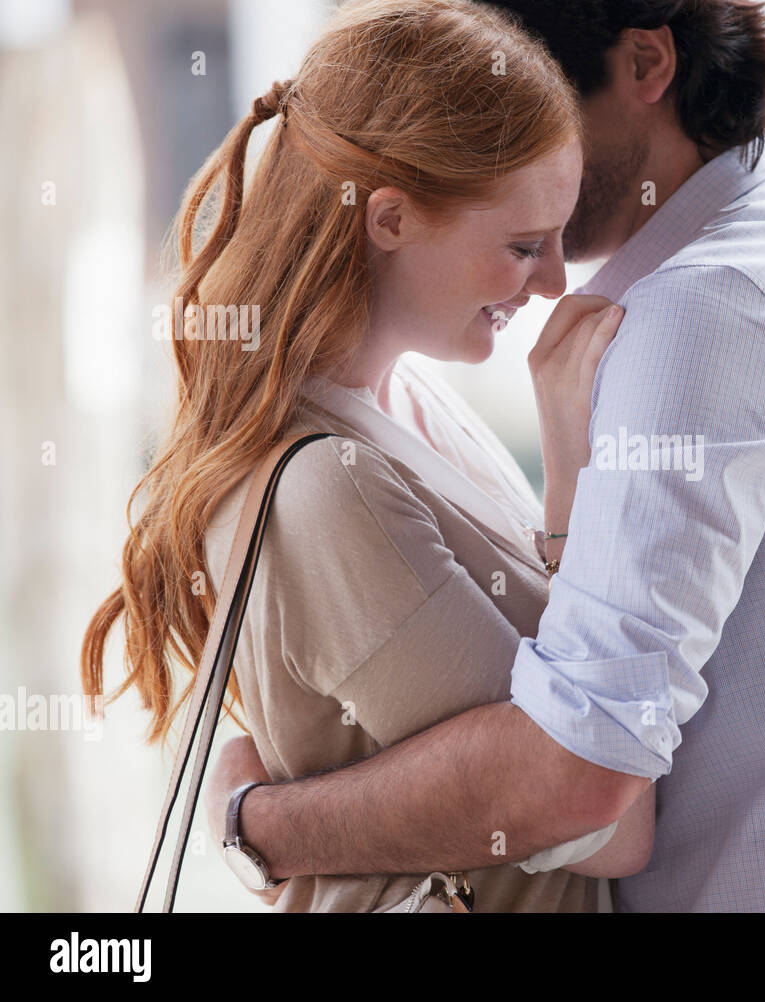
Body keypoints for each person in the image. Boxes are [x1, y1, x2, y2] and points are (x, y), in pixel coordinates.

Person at [210, 0, 765, 912]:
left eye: (531, 95)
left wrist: (261, 825)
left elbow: (578, 781)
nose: (514, 136)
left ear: (646, 64)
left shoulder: (695, 313)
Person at [81, 0, 650, 912]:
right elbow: (609, 823)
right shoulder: (331, 488)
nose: (552, 283)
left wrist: (263, 819)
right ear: (388, 219)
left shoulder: (418, 406)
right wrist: (574, 483)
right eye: (521, 246)